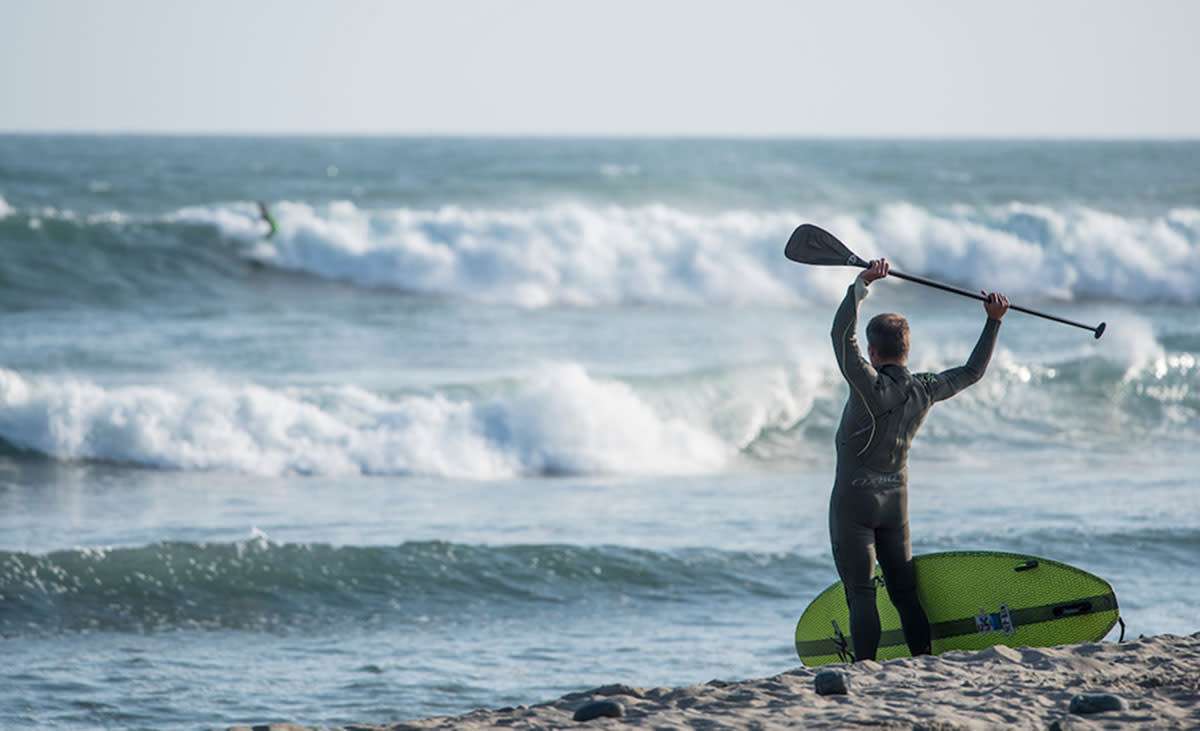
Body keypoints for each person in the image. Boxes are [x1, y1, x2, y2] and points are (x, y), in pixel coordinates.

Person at [829, 257, 1009, 661]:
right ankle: (922, 659)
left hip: (855, 503)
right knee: (904, 591)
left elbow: (842, 338)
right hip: (896, 503)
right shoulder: (925, 388)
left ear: (874, 352)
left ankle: (865, 669)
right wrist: (993, 321)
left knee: (861, 593)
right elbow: (973, 371)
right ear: (907, 350)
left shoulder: (867, 384)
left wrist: (860, 286)